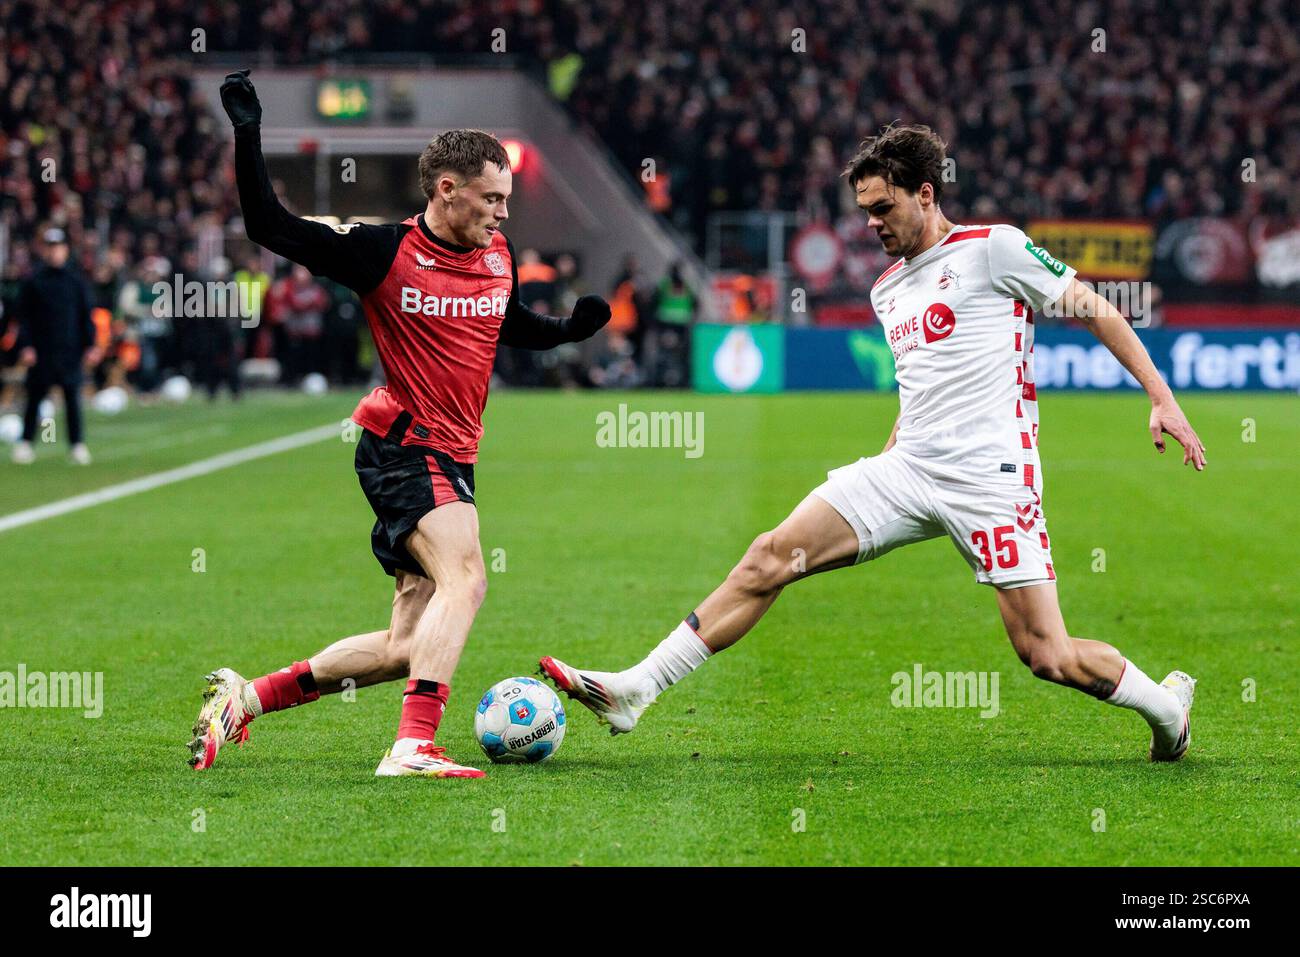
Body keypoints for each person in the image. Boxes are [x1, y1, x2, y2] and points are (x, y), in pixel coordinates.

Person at [540, 124, 1206, 763]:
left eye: (883, 206)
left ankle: (1165, 708)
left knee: (1046, 654)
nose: (871, 223)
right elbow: (920, 388)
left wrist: (1161, 397)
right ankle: (637, 688)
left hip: (992, 479)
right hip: (909, 467)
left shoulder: (993, 248)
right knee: (770, 557)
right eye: (863, 211)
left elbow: (1094, 306)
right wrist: (889, 455)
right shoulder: (887, 288)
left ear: (925, 193)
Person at [189, 70, 610, 778]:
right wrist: (249, 131)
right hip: (407, 447)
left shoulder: (497, 255)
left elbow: (507, 324)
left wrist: (569, 330)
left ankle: (245, 697)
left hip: (450, 455)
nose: (504, 214)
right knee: (468, 579)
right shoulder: (383, 253)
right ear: (447, 189)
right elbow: (270, 226)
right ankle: (413, 743)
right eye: (493, 199)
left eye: (506, 201)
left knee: (402, 646)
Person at [11, 228, 99, 465]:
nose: (54, 252)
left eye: (58, 247)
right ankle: (26, 442)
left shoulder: (75, 282)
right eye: (50, 247)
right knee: (35, 397)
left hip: (69, 349)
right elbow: (24, 318)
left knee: (72, 398)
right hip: (42, 349)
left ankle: (77, 444)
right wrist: (26, 346)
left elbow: (85, 316)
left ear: (65, 250)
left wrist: (90, 344)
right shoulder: (33, 282)